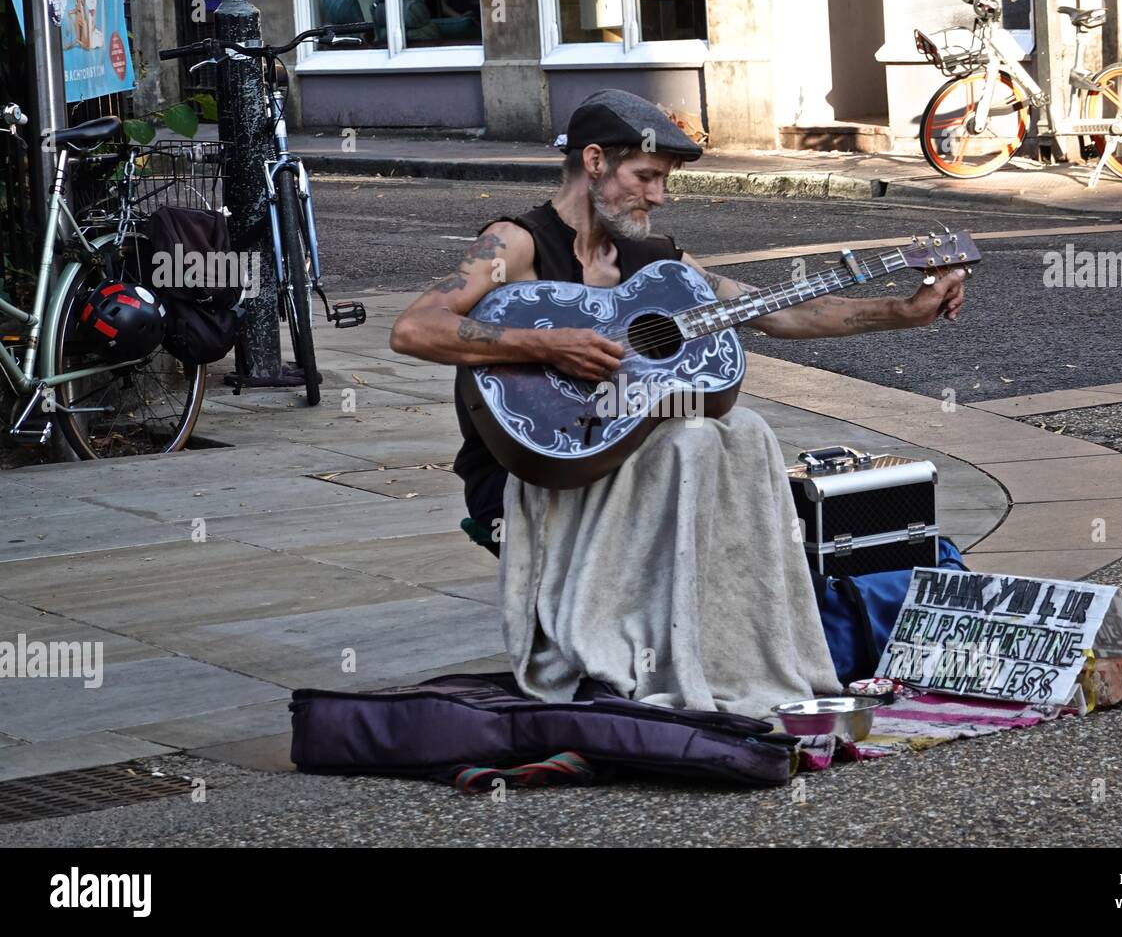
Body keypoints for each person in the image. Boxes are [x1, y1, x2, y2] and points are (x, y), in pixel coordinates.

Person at [390, 89, 966, 716]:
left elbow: (777, 311)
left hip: (635, 459)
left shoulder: (658, 262)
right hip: (534, 468)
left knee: (740, 428)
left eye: (663, 181)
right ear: (593, 162)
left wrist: (900, 311)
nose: (658, 195)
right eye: (646, 177)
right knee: (692, 438)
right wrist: (548, 344)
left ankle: (731, 645)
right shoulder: (516, 243)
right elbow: (414, 328)